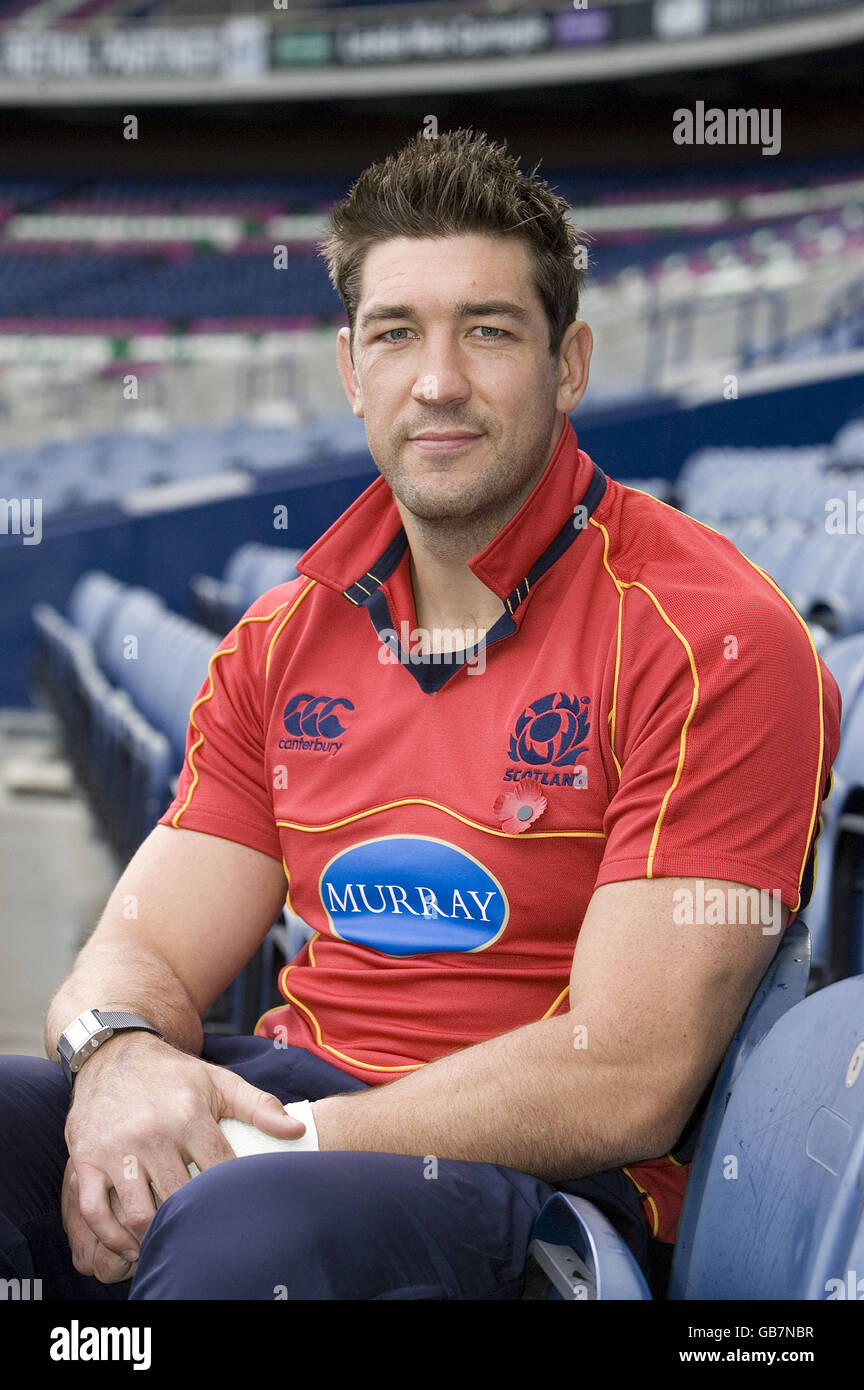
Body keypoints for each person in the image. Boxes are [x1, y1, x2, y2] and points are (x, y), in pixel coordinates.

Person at [0, 128, 842, 1301]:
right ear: (352, 368)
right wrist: (119, 1058)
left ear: (570, 363)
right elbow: (141, 942)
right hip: (292, 1108)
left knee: (243, 1243)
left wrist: (264, 1152)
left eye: (488, 330)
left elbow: (629, 1076)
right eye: (397, 333)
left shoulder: (715, 637)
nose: (436, 379)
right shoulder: (282, 637)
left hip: (550, 1194)